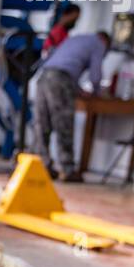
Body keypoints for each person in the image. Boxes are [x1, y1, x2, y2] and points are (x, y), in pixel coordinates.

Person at [32, 30, 111, 181]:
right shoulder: (99, 44)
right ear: (105, 41)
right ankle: (67, 169)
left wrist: (78, 90)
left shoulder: (77, 38)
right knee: (64, 124)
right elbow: (95, 75)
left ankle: (42, 166)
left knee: (42, 124)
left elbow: (65, 65)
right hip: (60, 80)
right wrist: (97, 92)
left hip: (44, 76)